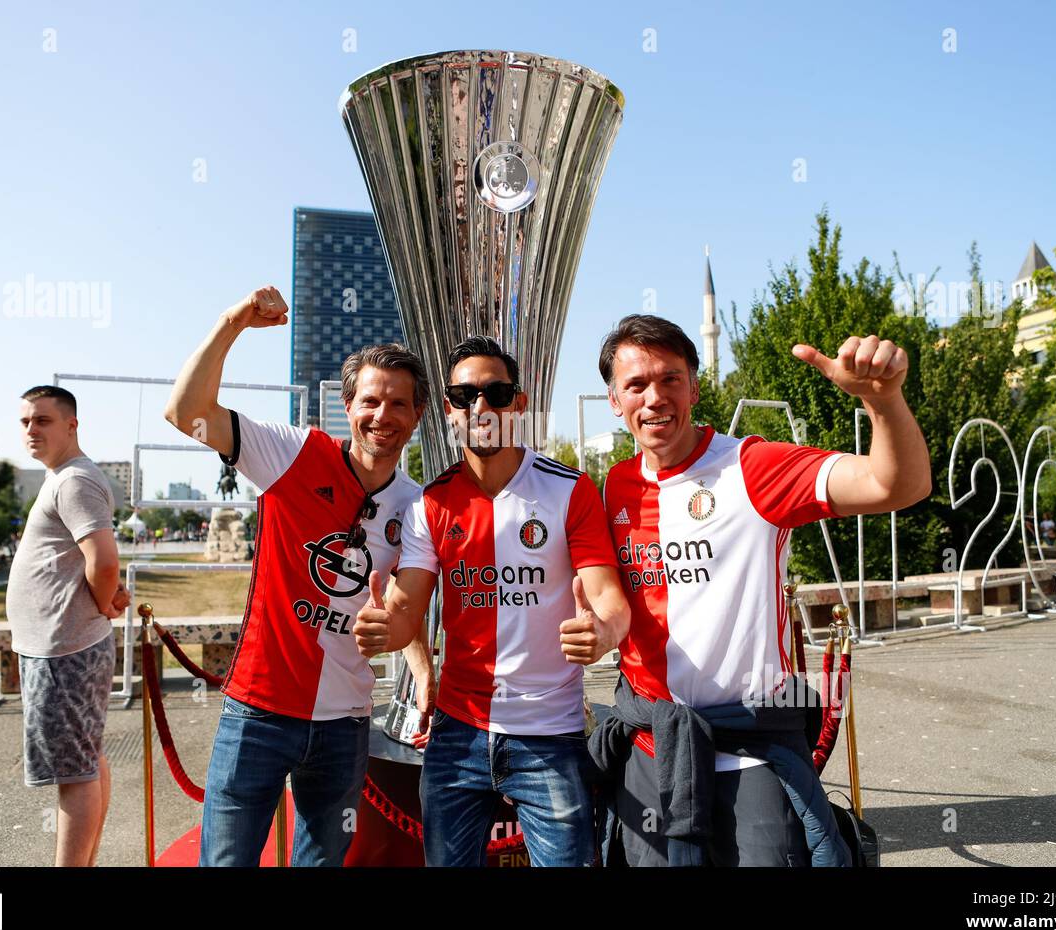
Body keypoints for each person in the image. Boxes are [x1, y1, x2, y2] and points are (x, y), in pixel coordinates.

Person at [590, 315, 931, 867]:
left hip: (750, 748)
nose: (655, 398)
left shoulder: (752, 466)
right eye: (636, 385)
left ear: (695, 388)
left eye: (671, 379)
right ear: (614, 400)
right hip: (653, 747)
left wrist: (883, 400)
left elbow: (898, 485)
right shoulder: (614, 487)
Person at [165, 286, 430, 867]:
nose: (383, 416)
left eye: (399, 404)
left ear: (417, 416)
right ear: (348, 405)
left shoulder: (416, 505)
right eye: (370, 401)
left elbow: (405, 608)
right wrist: (231, 321)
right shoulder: (291, 453)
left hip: (344, 722)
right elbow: (188, 414)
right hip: (259, 710)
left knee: (322, 863)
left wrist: (423, 675)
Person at [353, 335, 630, 867]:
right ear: (449, 412)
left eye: (495, 393)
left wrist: (603, 633)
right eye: (462, 396)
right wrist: (384, 628)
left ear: (518, 405)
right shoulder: (430, 503)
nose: (478, 407)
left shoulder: (569, 491)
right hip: (458, 731)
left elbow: (608, 599)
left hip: (549, 733)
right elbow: (407, 607)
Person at [7, 385, 130, 867]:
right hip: (61, 647)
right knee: (85, 760)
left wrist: (103, 603)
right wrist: (102, 600)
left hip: (64, 651)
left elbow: (103, 562)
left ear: (72, 424)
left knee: (74, 773)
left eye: (43, 420)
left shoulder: (75, 480)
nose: (31, 430)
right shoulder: (64, 476)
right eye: (25, 422)